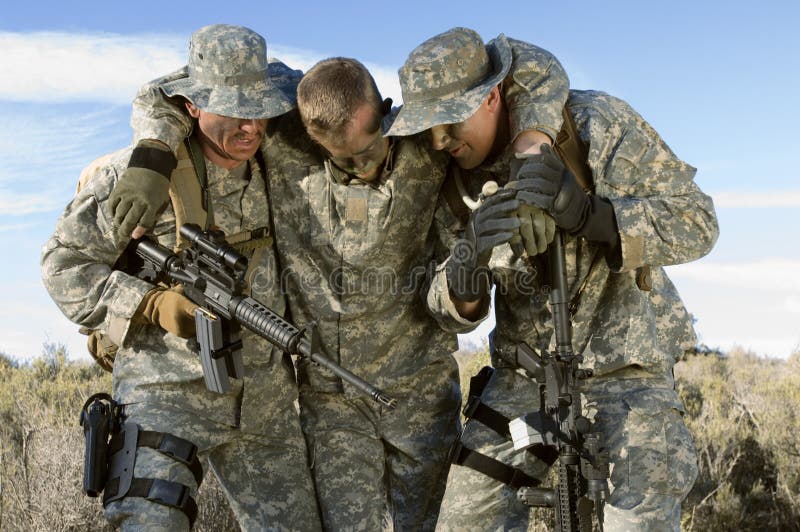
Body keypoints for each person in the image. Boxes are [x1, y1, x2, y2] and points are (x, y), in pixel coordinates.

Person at [387, 27, 719, 531]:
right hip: (523, 379)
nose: (439, 139)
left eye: (450, 120)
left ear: (493, 95)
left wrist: (597, 217)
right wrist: (467, 264)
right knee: (460, 522)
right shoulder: (445, 174)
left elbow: (698, 222)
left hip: (626, 375)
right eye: (428, 125)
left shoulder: (592, 124)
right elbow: (439, 303)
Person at [41, 25, 321, 531]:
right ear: (192, 106)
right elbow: (62, 266)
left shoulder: (277, 165)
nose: (250, 126)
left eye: (259, 107)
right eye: (233, 109)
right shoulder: (136, 178)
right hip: (163, 393)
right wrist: (151, 305)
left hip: (265, 403)